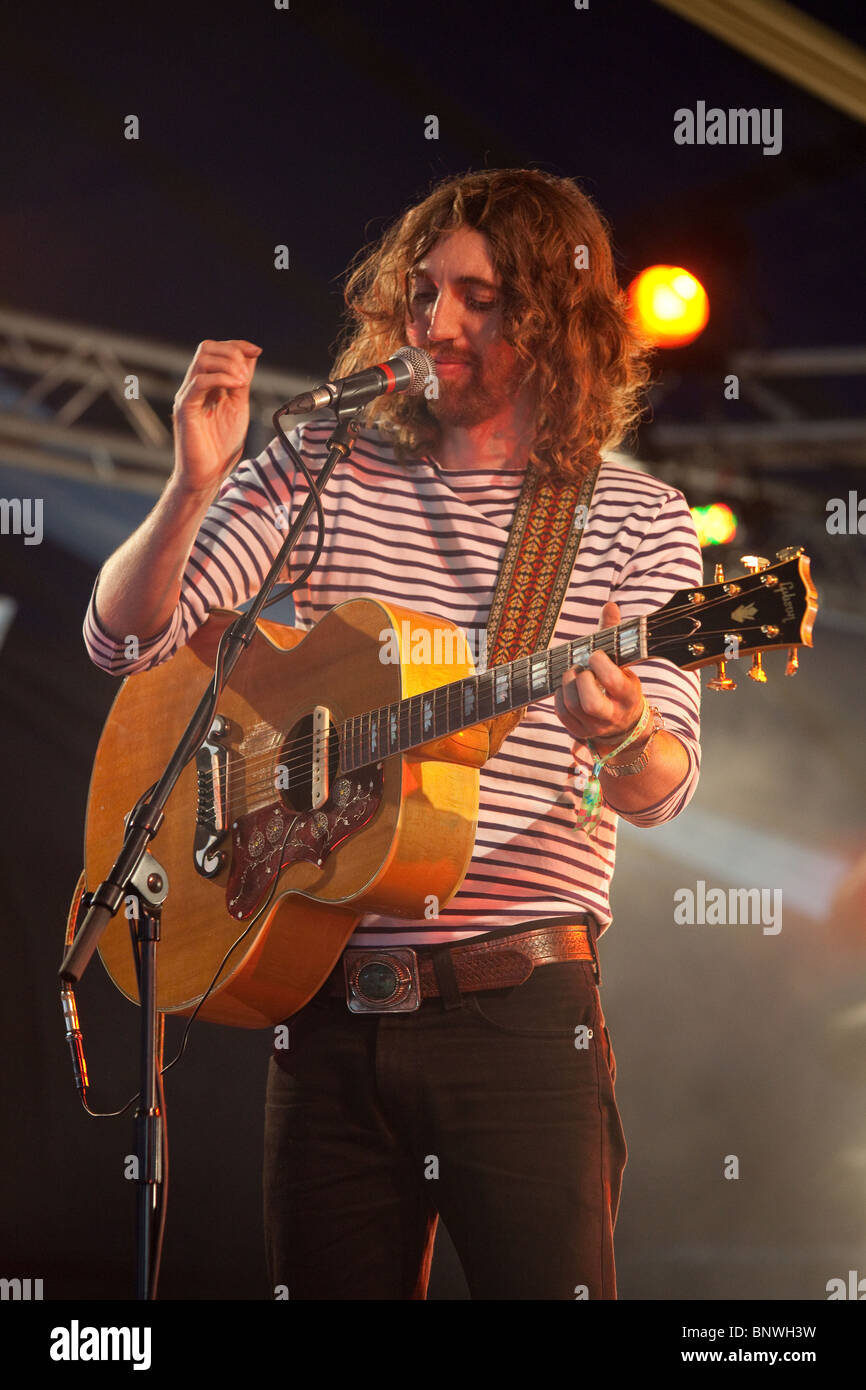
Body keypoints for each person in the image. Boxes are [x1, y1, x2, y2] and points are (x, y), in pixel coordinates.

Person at [83, 168, 702, 1300]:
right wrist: (187, 489)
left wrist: (616, 734)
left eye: (479, 298)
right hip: (320, 1009)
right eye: (423, 293)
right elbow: (129, 641)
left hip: (518, 1019)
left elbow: (660, 788)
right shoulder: (320, 470)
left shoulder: (634, 520)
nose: (437, 323)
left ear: (555, 322)